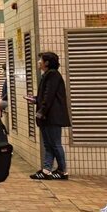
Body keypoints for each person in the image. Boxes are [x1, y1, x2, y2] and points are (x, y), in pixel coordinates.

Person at [28, 51, 70, 180]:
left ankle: (63, 170)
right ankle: (47, 170)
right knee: (48, 144)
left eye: (40, 60)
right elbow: (46, 95)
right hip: (48, 115)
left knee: (55, 143)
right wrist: (36, 99)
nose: (38, 62)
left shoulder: (52, 75)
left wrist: (42, 110)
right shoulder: (48, 74)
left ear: (46, 63)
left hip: (52, 116)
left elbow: (49, 95)